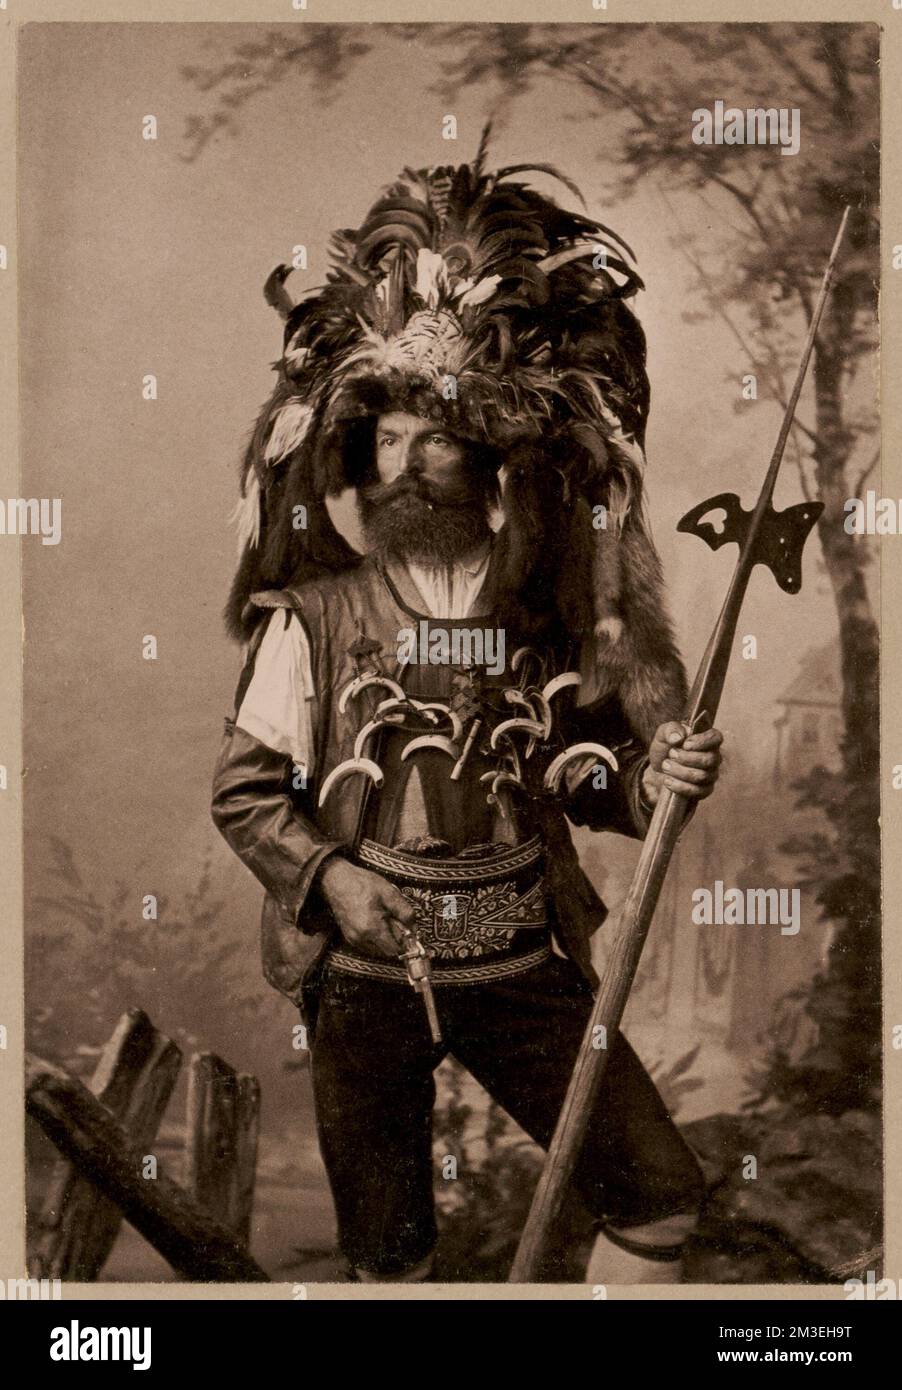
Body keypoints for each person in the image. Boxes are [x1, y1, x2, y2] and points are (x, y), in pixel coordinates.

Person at [211, 131, 723, 1284]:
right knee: (389, 1258)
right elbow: (243, 792)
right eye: (383, 438)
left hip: (521, 960)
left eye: (431, 436)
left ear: (489, 456)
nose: (401, 463)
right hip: (361, 978)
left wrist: (652, 777)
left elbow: (579, 768)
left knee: (659, 1205)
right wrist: (332, 877)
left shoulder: (546, 612)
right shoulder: (311, 615)